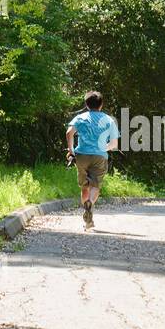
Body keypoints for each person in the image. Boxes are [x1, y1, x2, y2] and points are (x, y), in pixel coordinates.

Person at [66, 91, 120, 230]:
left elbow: (69, 133)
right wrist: (103, 148)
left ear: (86, 104)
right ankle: (90, 204)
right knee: (95, 186)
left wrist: (71, 151)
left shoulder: (80, 118)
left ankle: (87, 215)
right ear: (101, 105)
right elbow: (114, 144)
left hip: (81, 155)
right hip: (100, 157)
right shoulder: (108, 120)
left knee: (84, 186)